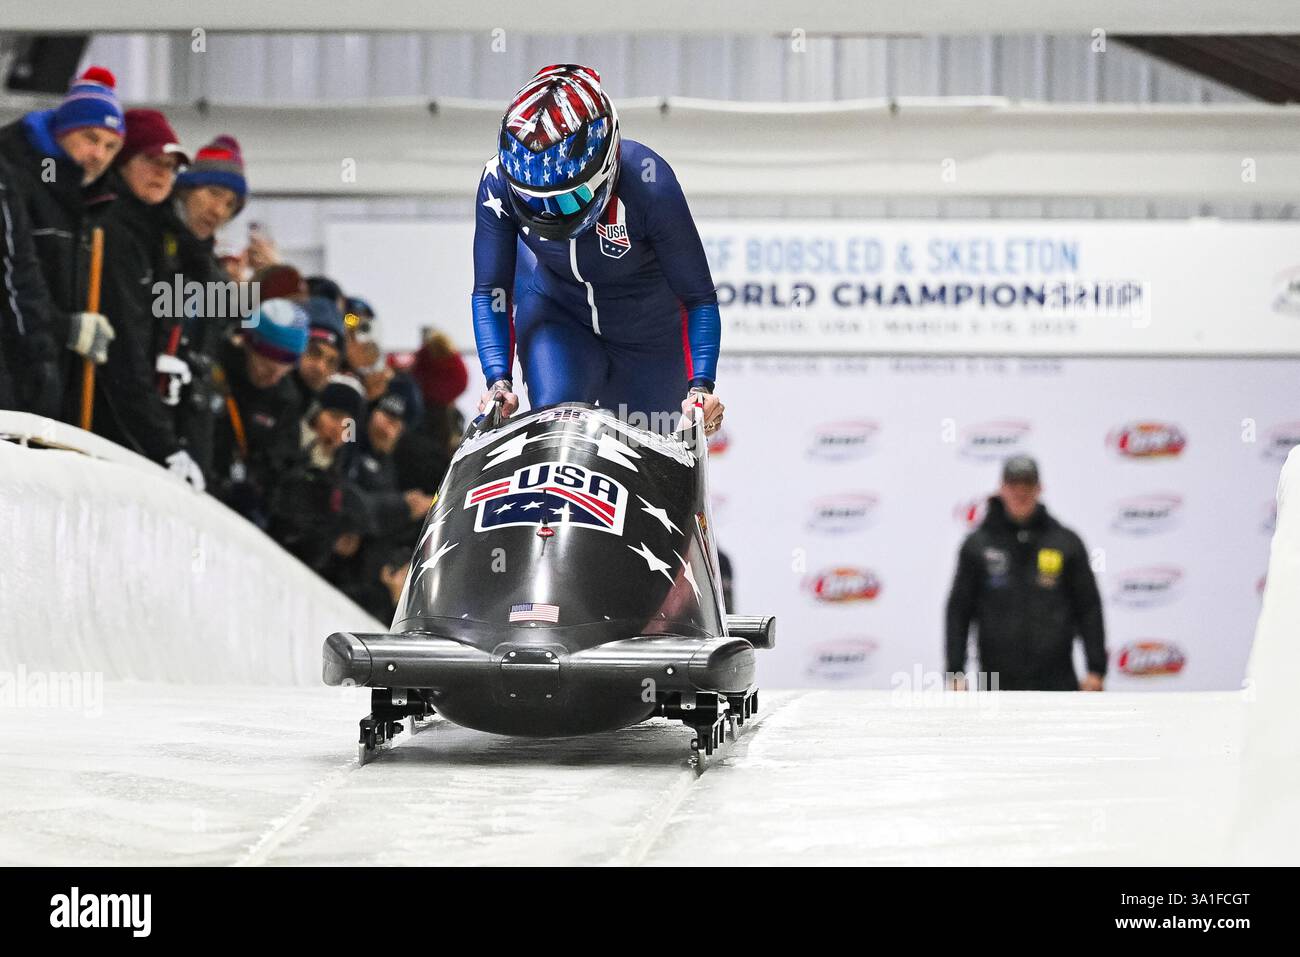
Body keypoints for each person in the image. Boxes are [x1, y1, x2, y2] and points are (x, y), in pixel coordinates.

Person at [471, 64, 723, 434]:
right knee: (557, 433)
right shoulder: (497, 182)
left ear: (604, 168)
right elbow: (491, 292)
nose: (547, 214)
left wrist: (701, 388)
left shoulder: (650, 183)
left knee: (646, 449)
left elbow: (698, 298)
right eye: (531, 199)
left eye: (566, 200)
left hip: (649, 339)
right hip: (559, 320)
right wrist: (498, 382)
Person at [0, 66, 124, 419]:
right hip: (20, 372)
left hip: (51, 375)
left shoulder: (90, 202)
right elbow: (15, 279)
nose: (99, 154)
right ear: (60, 132)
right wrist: (60, 327)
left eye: (110, 146)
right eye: (89, 137)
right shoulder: (24, 179)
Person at [92, 108, 205, 489]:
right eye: (152, 161)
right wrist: (163, 443)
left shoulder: (162, 234)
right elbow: (124, 345)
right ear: (124, 161)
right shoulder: (113, 229)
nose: (162, 173)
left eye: (171, 166)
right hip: (105, 415)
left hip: (141, 410)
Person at [945, 455, 1107, 692]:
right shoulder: (978, 545)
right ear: (1001, 488)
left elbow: (1089, 608)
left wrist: (1096, 669)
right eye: (1013, 485)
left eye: (1027, 485)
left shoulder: (1065, 542)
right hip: (996, 680)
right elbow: (959, 611)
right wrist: (955, 671)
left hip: (1057, 679)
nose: (1020, 492)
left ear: (1039, 488)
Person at [210, 299, 309, 525]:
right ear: (248, 344)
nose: (273, 378)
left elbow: (283, 460)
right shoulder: (216, 368)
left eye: (281, 372)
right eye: (266, 367)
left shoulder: (286, 398)